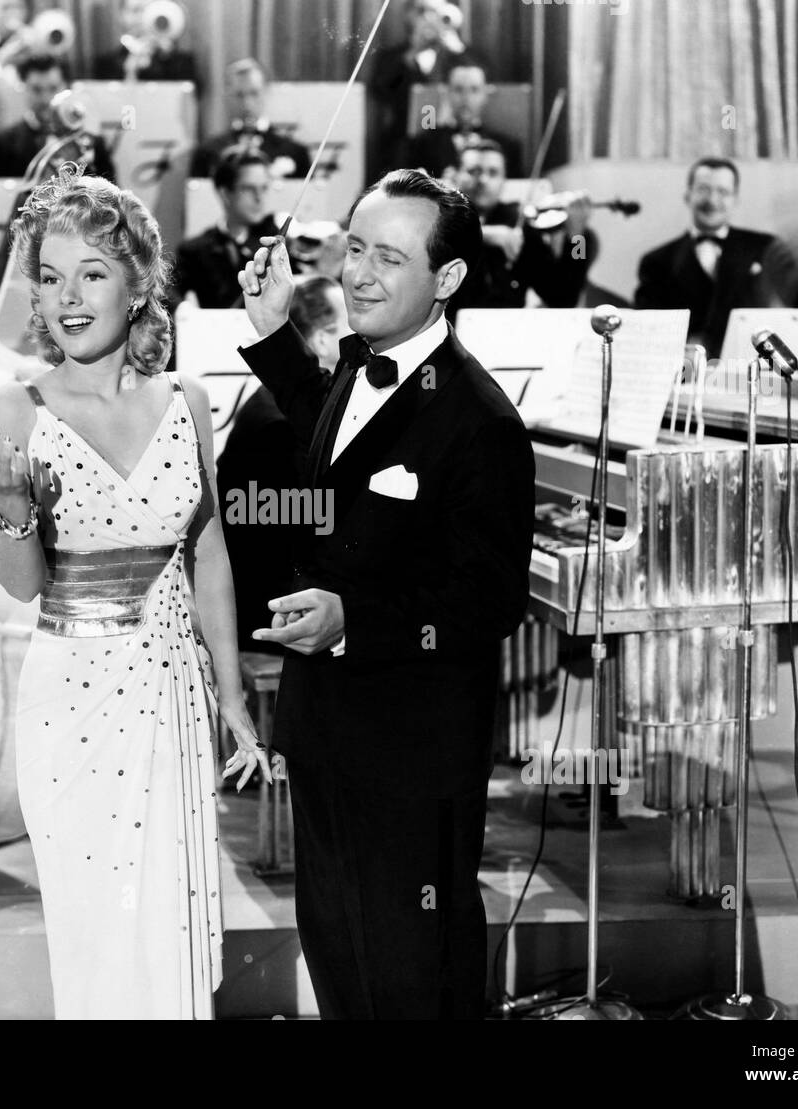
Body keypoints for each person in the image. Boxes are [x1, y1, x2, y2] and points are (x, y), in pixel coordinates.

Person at [0, 167, 266, 1019]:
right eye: (50, 277)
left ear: (139, 285)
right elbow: (18, 589)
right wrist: (14, 513)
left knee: (170, 919)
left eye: (91, 272)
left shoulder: (187, 401)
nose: (68, 297)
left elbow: (208, 552)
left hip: (172, 695)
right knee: (97, 932)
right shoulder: (16, 409)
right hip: (74, 700)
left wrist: (231, 699)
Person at [235, 168, 535, 1018]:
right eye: (354, 248)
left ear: (445, 281)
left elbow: (487, 600)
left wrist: (350, 620)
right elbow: (333, 456)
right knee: (341, 968)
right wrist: (271, 339)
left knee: (410, 980)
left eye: (389, 258)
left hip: (412, 760)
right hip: (326, 735)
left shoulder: (482, 421)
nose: (359, 273)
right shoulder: (359, 363)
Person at [217, 275, 346, 654]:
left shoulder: (279, 403)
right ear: (323, 339)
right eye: (351, 324)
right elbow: (308, 532)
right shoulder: (280, 423)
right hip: (274, 624)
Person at [635, 156, 798, 357]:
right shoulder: (656, 261)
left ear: (736, 198)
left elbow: (797, 312)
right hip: (687, 374)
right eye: (703, 189)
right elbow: (647, 329)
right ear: (688, 196)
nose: (712, 201)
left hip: (753, 370)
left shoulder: (766, 248)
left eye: (723, 192)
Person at [449, 140, 596, 311]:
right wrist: (486, 235)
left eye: (493, 173)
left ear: (504, 180)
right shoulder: (441, 216)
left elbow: (564, 298)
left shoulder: (520, 225)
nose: (483, 180)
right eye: (474, 171)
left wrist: (577, 238)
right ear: (457, 176)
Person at [367, 0, 476, 180]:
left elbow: (481, 81)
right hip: (404, 147)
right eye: (422, 11)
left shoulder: (458, 54)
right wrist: (413, 52)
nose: (429, 18)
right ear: (409, 15)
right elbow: (379, 90)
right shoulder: (392, 56)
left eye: (437, 12)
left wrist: (457, 49)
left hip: (450, 143)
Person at [0, 53, 116, 181]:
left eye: (53, 88)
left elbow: (111, 201)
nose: (45, 99)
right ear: (24, 88)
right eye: (36, 89)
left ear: (66, 88)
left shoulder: (93, 144)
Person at [172, 148, 281, 311]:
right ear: (225, 194)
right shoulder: (194, 251)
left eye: (264, 188)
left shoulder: (275, 244)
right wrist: (184, 309)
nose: (259, 198)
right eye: (249, 189)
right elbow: (167, 292)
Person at [190, 58, 310, 180]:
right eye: (239, 95)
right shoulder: (207, 152)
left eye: (254, 93)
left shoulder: (295, 153)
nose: (247, 104)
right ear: (227, 96)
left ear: (267, 92)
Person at [399, 62, 523, 178]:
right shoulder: (421, 146)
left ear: (485, 94)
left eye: (474, 90)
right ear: (447, 93)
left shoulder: (508, 148)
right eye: (458, 90)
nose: (466, 98)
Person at [93, 0, 200, 86]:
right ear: (121, 15)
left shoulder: (180, 61)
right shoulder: (106, 63)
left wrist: (166, 58)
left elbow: (189, 98)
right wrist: (130, 73)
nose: (142, 18)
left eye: (147, 10)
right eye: (136, 11)